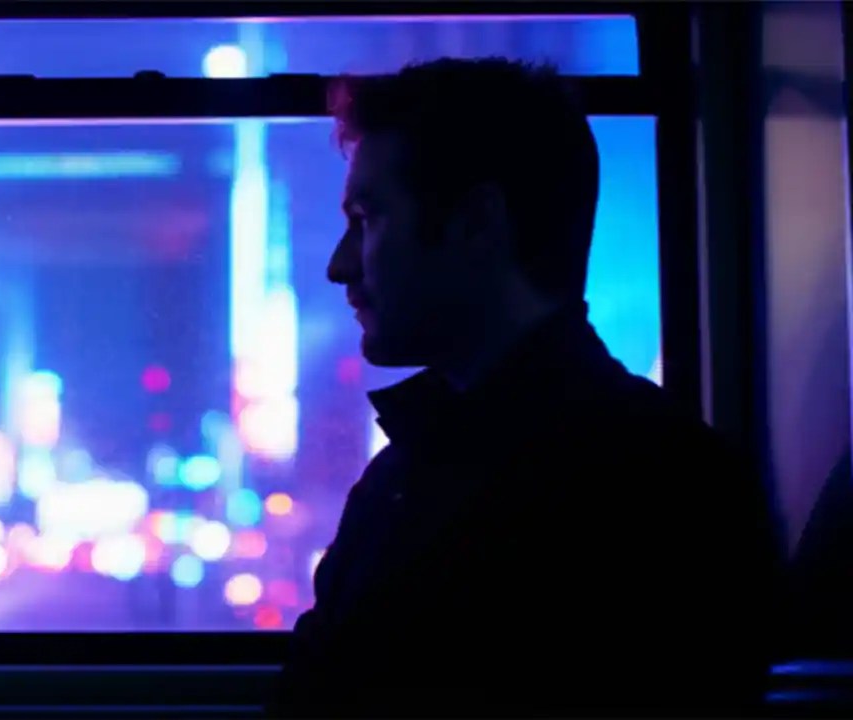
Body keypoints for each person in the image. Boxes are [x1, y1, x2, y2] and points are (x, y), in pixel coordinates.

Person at [271, 58, 782, 717]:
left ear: (477, 223)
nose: (339, 265)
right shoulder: (673, 471)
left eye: (368, 218)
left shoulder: (652, 487)